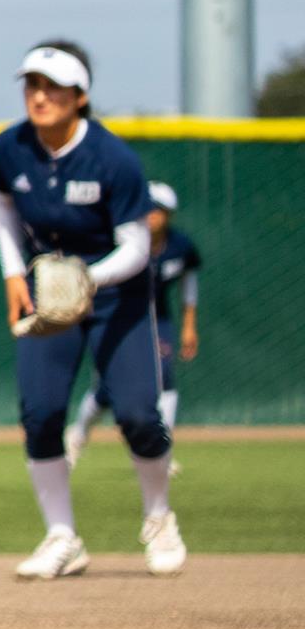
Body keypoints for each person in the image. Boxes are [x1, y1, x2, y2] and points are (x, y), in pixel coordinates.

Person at [0, 41, 186, 579]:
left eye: (52, 87)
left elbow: (137, 248)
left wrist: (86, 278)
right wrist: (13, 273)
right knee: (41, 413)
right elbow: (3, 206)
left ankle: (159, 518)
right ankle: (62, 536)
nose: (39, 96)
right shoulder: (11, 148)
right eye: (31, 85)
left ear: (80, 96)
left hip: (116, 293)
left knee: (140, 414)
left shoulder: (113, 159)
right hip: (49, 289)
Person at [65, 181, 203, 475]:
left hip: (158, 321)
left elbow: (189, 280)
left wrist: (189, 325)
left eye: (160, 210)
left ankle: (158, 448)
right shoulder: (120, 243)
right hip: (120, 319)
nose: (153, 214)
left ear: (170, 215)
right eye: (148, 208)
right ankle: (77, 435)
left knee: (164, 379)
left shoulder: (179, 246)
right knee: (106, 392)